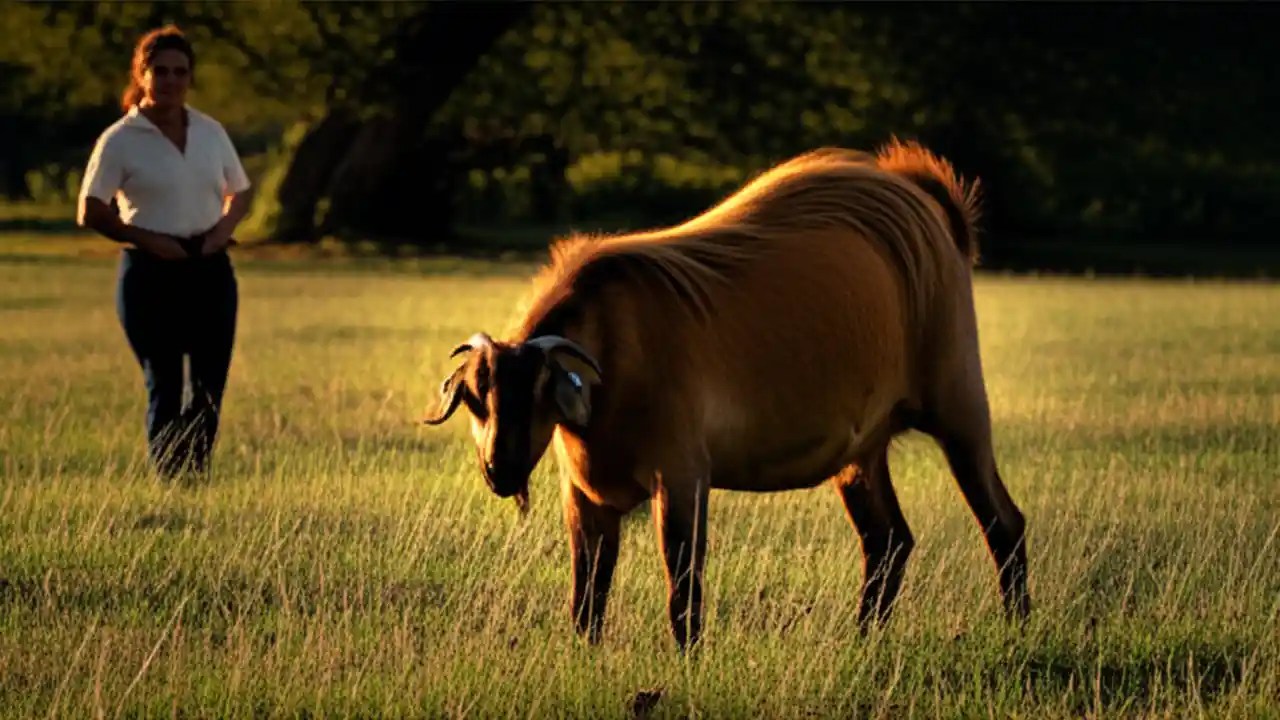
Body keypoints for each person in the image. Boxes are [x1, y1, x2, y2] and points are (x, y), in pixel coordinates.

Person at [76, 25, 253, 478]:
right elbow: (90, 209)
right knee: (166, 383)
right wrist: (147, 239)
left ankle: (196, 474)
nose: (171, 80)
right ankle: (172, 481)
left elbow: (242, 192)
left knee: (210, 385)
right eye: (161, 71)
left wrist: (222, 231)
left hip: (209, 267)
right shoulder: (120, 139)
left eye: (180, 71)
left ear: (190, 77)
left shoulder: (211, 132)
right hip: (150, 273)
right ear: (143, 74)